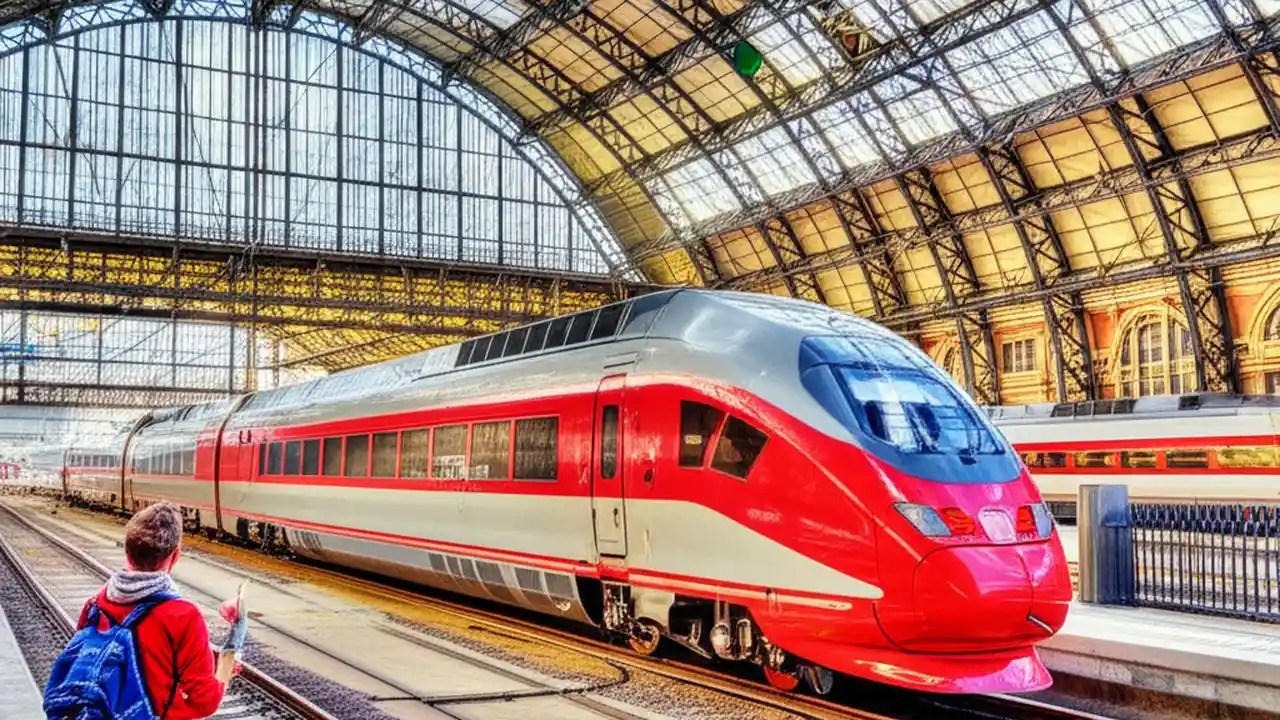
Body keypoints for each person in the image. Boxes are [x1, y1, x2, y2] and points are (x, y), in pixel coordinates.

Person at [45, 502, 240, 720]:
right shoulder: (183, 616)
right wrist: (223, 668)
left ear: (127, 552)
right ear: (175, 556)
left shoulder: (96, 604)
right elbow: (205, 702)